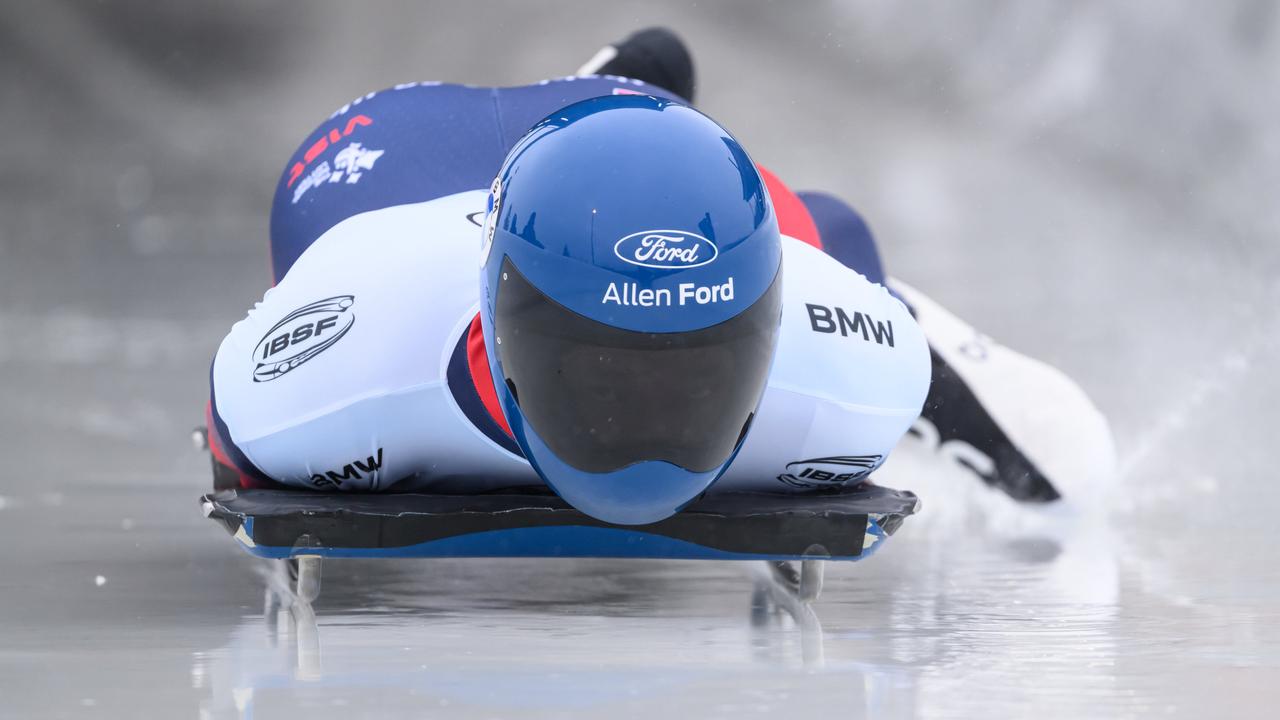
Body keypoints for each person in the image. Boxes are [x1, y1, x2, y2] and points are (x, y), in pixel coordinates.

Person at [207, 29, 1104, 525]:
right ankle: (614, 91)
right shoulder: (338, 363)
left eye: (698, 368)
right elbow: (235, 435)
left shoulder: (856, 363)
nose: (640, 423)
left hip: (626, 143)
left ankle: (622, 93)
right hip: (392, 163)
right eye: (596, 369)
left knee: (1057, 455)